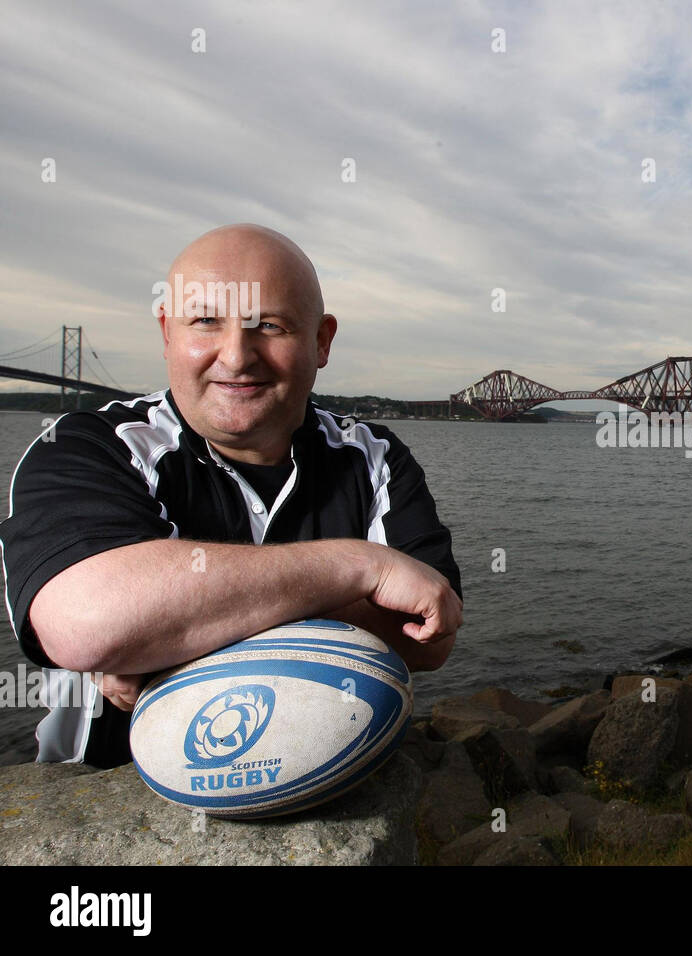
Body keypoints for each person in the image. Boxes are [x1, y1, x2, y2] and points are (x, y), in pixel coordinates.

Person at [0, 223, 463, 767]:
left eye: (268, 325)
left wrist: (163, 637)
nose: (238, 356)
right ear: (167, 331)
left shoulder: (375, 455)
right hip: (107, 801)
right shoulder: (87, 446)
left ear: (321, 340)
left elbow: (428, 636)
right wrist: (364, 567)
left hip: (326, 799)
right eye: (205, 322)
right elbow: (89, 622)